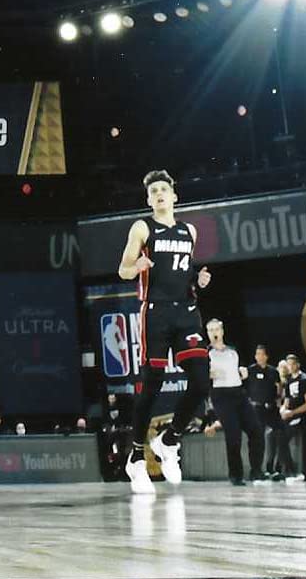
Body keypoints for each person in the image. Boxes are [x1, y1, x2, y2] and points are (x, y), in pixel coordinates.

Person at [116, 170, 213, 491]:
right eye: (153, 191)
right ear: (149, 199)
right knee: (151, 385)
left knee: (200, 381)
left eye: (163, 189)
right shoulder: (143, 227)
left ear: (174, 196)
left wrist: (196, 279)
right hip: (155, 312)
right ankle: (136, 456)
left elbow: (182, 269)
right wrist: (137, 267)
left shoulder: (190, 231)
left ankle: (169, 440)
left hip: (186, 311)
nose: (159, 194)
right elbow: (123, 270)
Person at [205, 319, 249, 486]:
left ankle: (259, 471)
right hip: (220, 393)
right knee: (233, 435)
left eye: (216, 329)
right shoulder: (206, 353)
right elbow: (199, 375)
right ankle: (236, 475)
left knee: (255, 430)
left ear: (222, 331)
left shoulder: (233, 350)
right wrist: (207, 374)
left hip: (238, 391)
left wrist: (242, 371)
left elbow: (241, 367)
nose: (214, 333)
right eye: (210, 330)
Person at [268, 353, 306, 483]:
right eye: (288, 364)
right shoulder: (290, 381)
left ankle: (290, 471)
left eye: (292, 364)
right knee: (275, 434)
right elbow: (287, 401)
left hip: (302, 416)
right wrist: (283, 410)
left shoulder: (305, 380)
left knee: (284, 437)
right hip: (290, 415)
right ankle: (281, 469)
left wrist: (293, 412)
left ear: (297, 365)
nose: (289, 367)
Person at [243, 344, 280, 481]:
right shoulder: (250, 370)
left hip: (271, 408)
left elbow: (278, 388)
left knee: (279, 433)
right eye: (257, 354)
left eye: (261, 354)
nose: (259, 356)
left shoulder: (273, 371)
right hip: (256, 409)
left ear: (266, 356)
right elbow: (244, 387)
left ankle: (275, 468)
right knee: (258, 440)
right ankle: (256, 471)